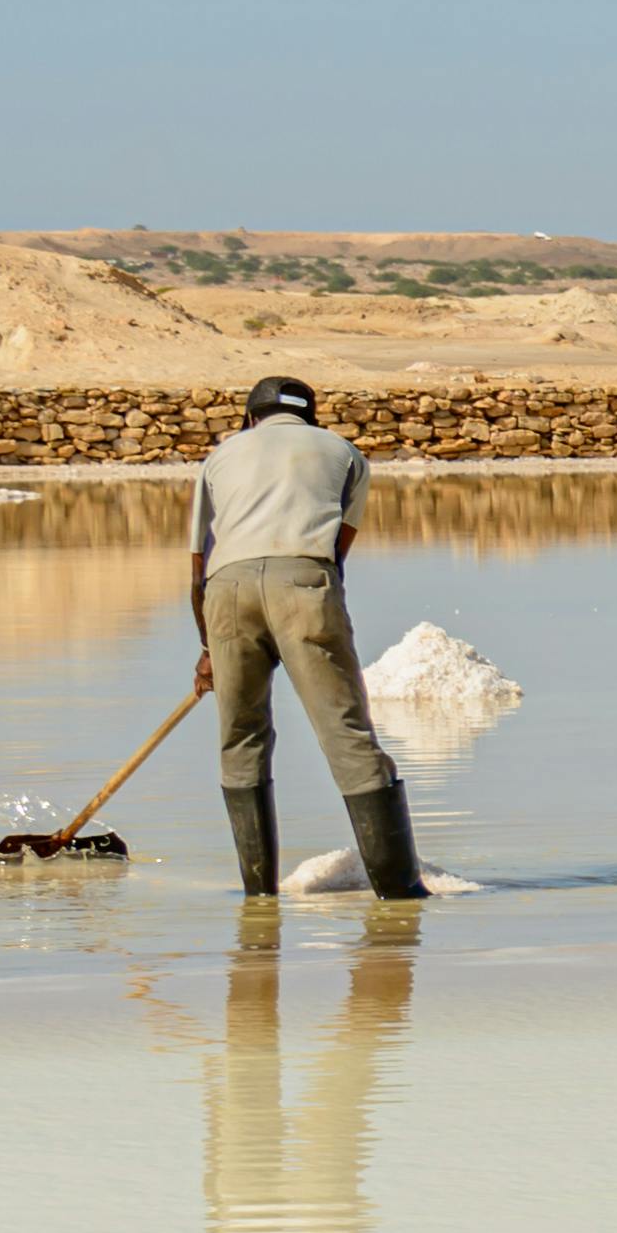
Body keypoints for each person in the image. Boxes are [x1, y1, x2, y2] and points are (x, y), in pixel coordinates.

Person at [187, 375, 418, 902]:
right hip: (304, 584)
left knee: (240, 739)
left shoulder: (220, 457)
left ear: (250, 418)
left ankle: (258, 899)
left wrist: (208, 652)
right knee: (346, 734)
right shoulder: (344, 452)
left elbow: (200, 561)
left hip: (226, 591)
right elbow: (337, 550)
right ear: (310, 418)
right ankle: (400, 896)